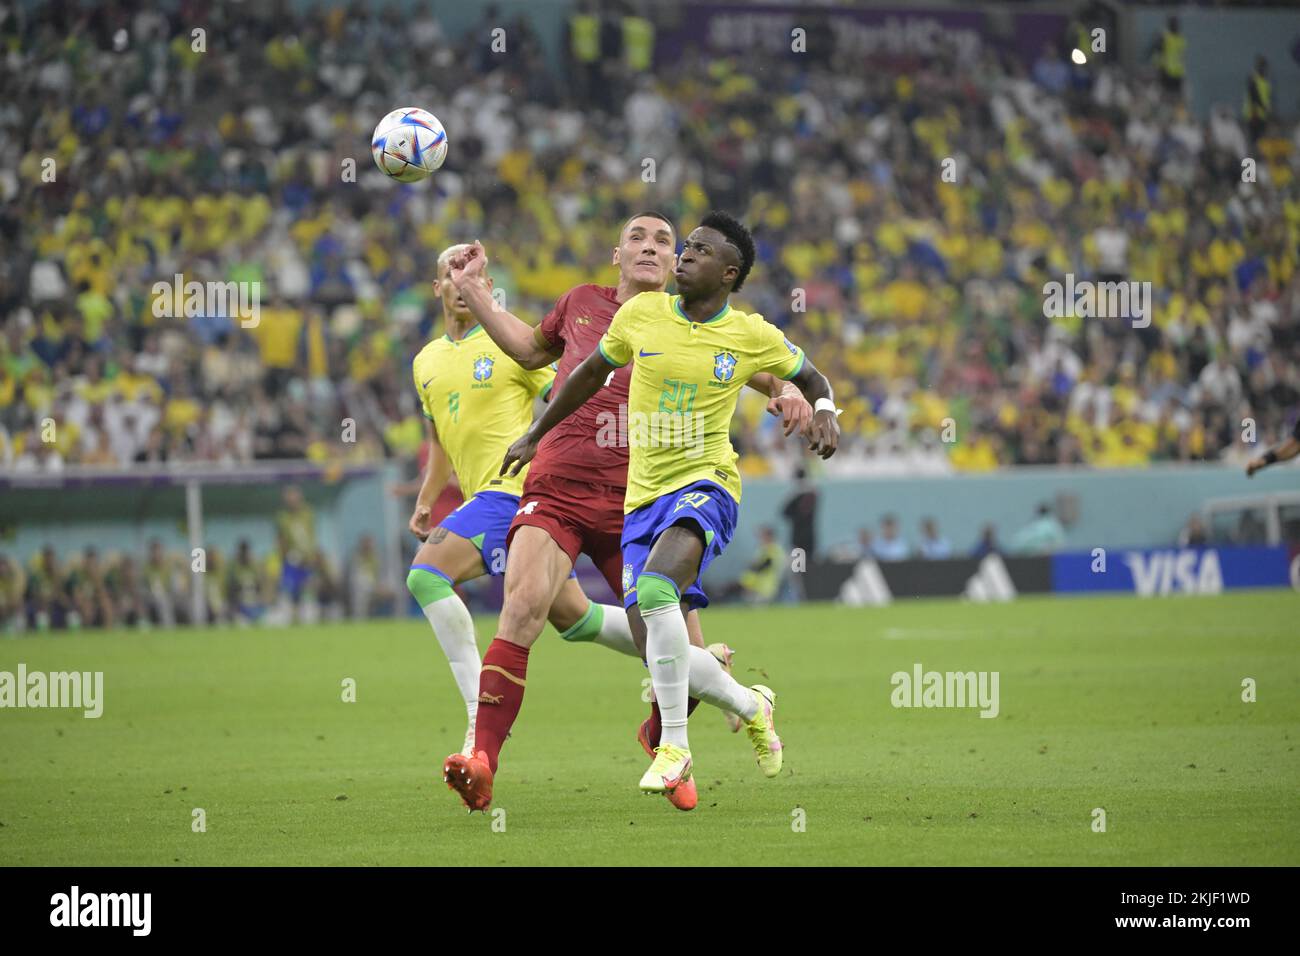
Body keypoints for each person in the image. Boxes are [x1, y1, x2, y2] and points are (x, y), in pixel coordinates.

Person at [439, 216, 810, 812]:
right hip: (558, 486)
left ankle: (714, 719)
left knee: (679, 657)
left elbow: (760, 364)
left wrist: (790, 391)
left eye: (666, 241)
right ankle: (481, 761)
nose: (652, 246)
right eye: (639, 236)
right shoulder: (583, 305)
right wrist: (478, 291)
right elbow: (530, 348)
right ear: (617, 254)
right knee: (524, 604)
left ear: (679, 264)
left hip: (642, 500)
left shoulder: (689, 320)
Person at [405, 243, 644, 762]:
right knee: (577, 621)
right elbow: (443, 438)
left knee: (425, 575)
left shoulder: (507, 345)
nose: (467, 284)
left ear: (488, 289)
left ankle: (476, 722)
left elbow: (575, 383)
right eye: (453, 274)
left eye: (480, 278)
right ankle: (705, 668)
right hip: (488, 499)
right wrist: (428, 499)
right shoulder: (425, 361)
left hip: (519, 492)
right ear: (439, 287)